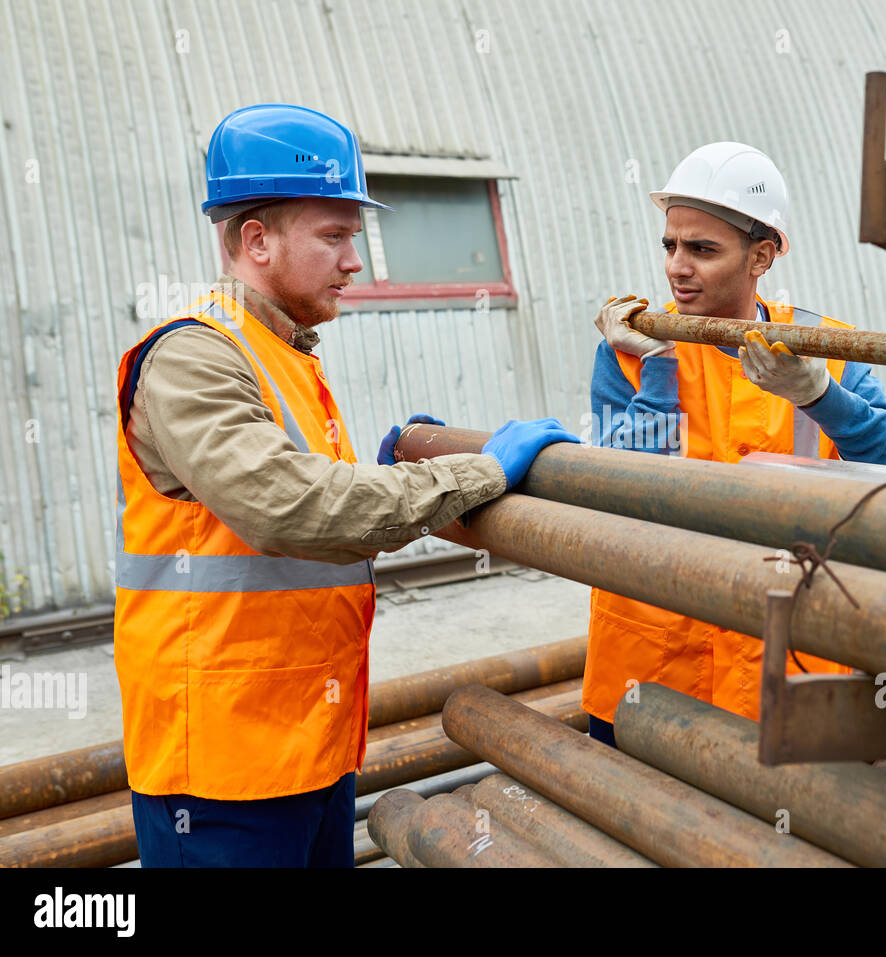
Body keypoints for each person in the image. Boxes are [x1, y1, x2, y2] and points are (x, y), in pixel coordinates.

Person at [114, 103, 577, 867]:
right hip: (225, 769)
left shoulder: (285, 352)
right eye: (335, 236)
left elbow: (309, 485)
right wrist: (479, 471)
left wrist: (397, 467)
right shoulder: (195, 358)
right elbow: (293, 507)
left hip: (308, 745)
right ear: (256, 239)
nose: (355, 260)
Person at [582, 142, 886, 745]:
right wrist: (660, 366)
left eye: (702, 249)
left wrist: (822, 397)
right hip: (654, 665)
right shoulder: (632, 349)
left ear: (761, 255)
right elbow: (623, 492)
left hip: (783, 665)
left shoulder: (824, 347)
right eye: (671, 245)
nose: (675, 267)